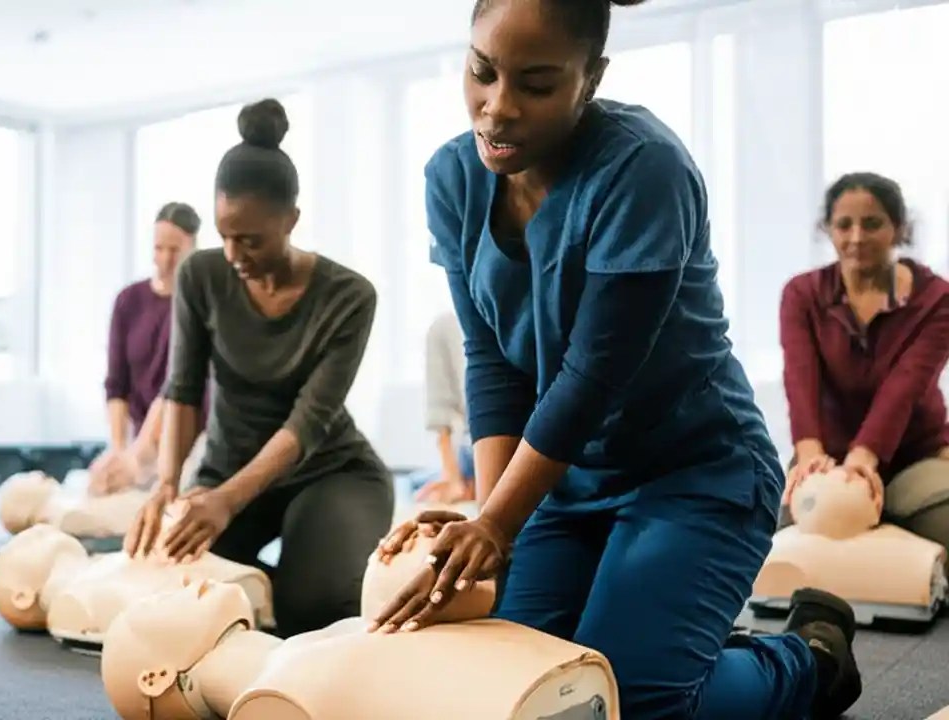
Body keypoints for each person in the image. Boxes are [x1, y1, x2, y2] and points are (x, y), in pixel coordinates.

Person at [368, 1, 862, 718]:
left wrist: (500, 526)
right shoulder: (453, 176)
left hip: (696, 471)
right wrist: (488, 520)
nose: (497, 109)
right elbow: (493, 363)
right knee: (526, 691)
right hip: (567, 483)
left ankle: (809, 659)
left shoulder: (642, 169)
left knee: (626, 702)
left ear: (590, 78)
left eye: (535, 85)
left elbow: (592, 378)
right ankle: (671, 627)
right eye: (482, 72)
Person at [122, 98, 394, 637]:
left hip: (330, 473)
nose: (232, 253)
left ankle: (306, 590)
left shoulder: (350, 296)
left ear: (291, 220)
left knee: (312, 612)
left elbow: (308, 421)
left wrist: (226, 502)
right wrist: (167, 486)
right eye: (224, 234)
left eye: (250, 239)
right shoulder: (201, 276)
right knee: (175, 596)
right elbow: (181, 389)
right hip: (225, 471)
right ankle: (268, 589)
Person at [780, 172, 949, 552]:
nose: (856, 237)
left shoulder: (937, 298)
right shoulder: (802, 294)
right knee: (792, 535)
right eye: (844, 225)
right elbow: (799, 376)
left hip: (914, 456)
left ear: (898, 228)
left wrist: (864, 460)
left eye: (872, 224)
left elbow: (905, 386)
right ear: (828, 229)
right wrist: (809, 454)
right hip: (825, 453)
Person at [92, 201, 202, 495]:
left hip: (182, 434)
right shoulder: (128, 300)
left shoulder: (196, 305)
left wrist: (138, 454)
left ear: (192, 248)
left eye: (175, 250)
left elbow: (175, 386)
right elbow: (117, 384)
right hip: (135, 433)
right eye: (158, 248)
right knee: (101, 485)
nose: (165, 260)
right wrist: (119, 451)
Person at [414, 311, 475, 503]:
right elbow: (441, 416)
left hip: (528, 446)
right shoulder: (444, 327)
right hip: (473, 449)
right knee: (416, 487)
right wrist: (453, 480)